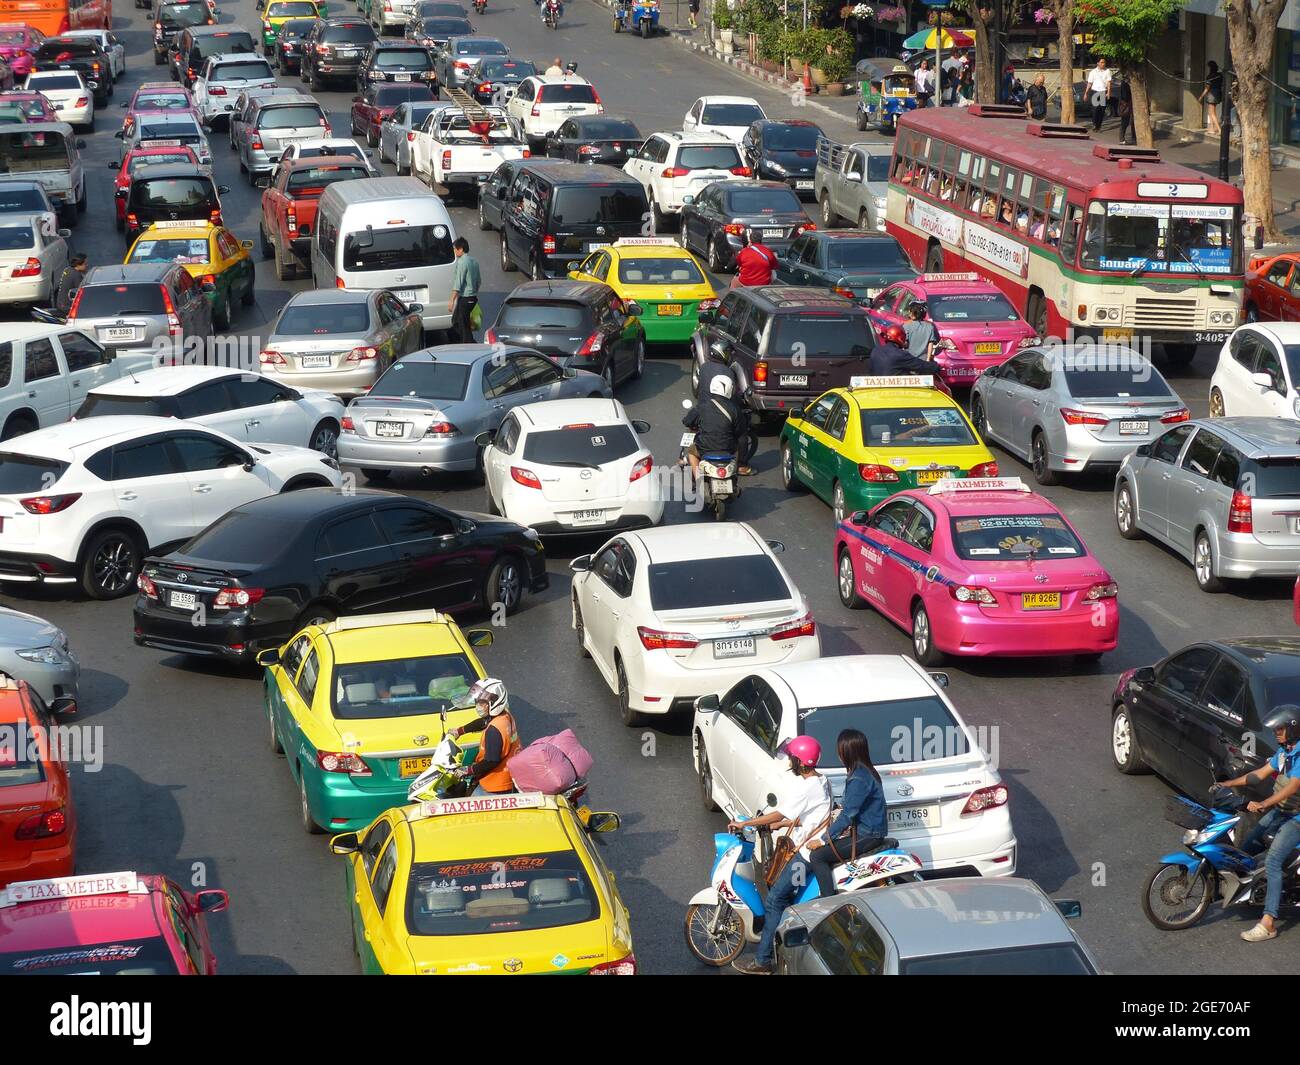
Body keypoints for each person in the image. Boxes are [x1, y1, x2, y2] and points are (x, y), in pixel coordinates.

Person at [731, 736, 831, 975]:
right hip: (808, 842)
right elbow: (808, 815)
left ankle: (763, 961)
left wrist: (749, 823)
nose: (790, 762)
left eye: (793, 758)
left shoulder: (808, 787)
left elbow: (779, 814)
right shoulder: (822, 780)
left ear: (802, 762)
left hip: (806, 854)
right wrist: (784, 824)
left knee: (775, 899)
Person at [1216, 706, 1300, 942]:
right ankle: (1249, 890)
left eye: (1280, 729)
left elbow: (1294, 786)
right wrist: (1229, 784)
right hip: (1281, 811)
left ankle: (1268, 923)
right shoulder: (1285, 751)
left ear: (1293, 728)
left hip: (1297, 818)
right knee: (1248, 846)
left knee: (1273, 860)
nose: (1276, 733)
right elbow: (1260, 774)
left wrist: (1264, 803)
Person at [806, 730, 887, 897]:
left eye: (840, 750)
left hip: (868, 835)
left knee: (817, 856)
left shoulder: (858, 778)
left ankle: (828, 901)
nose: (838, 754)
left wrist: (823, 840)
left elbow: (847, 815)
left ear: (846, 752)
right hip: (869, 832)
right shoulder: (866, 772)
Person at [447, 678, 521, 796]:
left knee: (469, 809)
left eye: (482, 703)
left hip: (494, 784)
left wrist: (467, 770)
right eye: (477, 702)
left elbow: (491, 761)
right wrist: (459, 731)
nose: (478, 706)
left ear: (494, 702)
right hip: (509, 777)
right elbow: (483, 722)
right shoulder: (505, 717)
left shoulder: (494, 730)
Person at [682, 373, 752, 478]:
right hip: (728, 448)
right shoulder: (735, 409)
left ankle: (698, 479)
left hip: (704, 448)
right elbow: (740, 432)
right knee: (737, 448)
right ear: (729, 389)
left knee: (692, 453)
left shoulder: (702, 406)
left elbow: (687, 421)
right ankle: (734, 473)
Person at [449, 236, 480, 344]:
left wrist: (451, 301)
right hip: (473, 297)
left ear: (460, 249)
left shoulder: (462, 262)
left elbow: (458, 282)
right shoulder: (474, 261)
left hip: (465, 298)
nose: (454, 251)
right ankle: (469, 342)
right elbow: (479, 281)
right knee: (461, 322)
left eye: (454, 249)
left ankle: (468, 344)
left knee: (460, 323)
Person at [1086, 57, 1112, 131]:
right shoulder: (1093, 72)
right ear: (1098, 63)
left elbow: (1109, 82)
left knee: (1102, 110)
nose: (1103, 64)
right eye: (1101, 62)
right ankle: (1094, 124)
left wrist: (1109, 92)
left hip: (1103, 92)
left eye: (1104, 62)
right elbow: (1089, 83)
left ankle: (1098, 125)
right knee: (1095, 109)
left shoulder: (1107, 71)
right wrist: (1086, 93)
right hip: (1095, 91)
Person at [1199, 60, 1222, 137]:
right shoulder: (1219, 75)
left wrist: (1201, 96)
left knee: (1212, 113)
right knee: (1211, 111)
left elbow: (1207, 88)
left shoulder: (1210, 76)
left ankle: (1219, 129)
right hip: (1218, 93)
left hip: (1212, 94)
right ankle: (1211, 129)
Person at [1117, 78, 1135, 146]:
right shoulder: (1125, 84)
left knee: (1126, 122)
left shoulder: (1125, 83)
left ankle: (1130, 137)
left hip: (1127, 105)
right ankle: (1121, 139)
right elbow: (1125, 96)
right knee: (1124, 122)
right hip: (1126, 105)